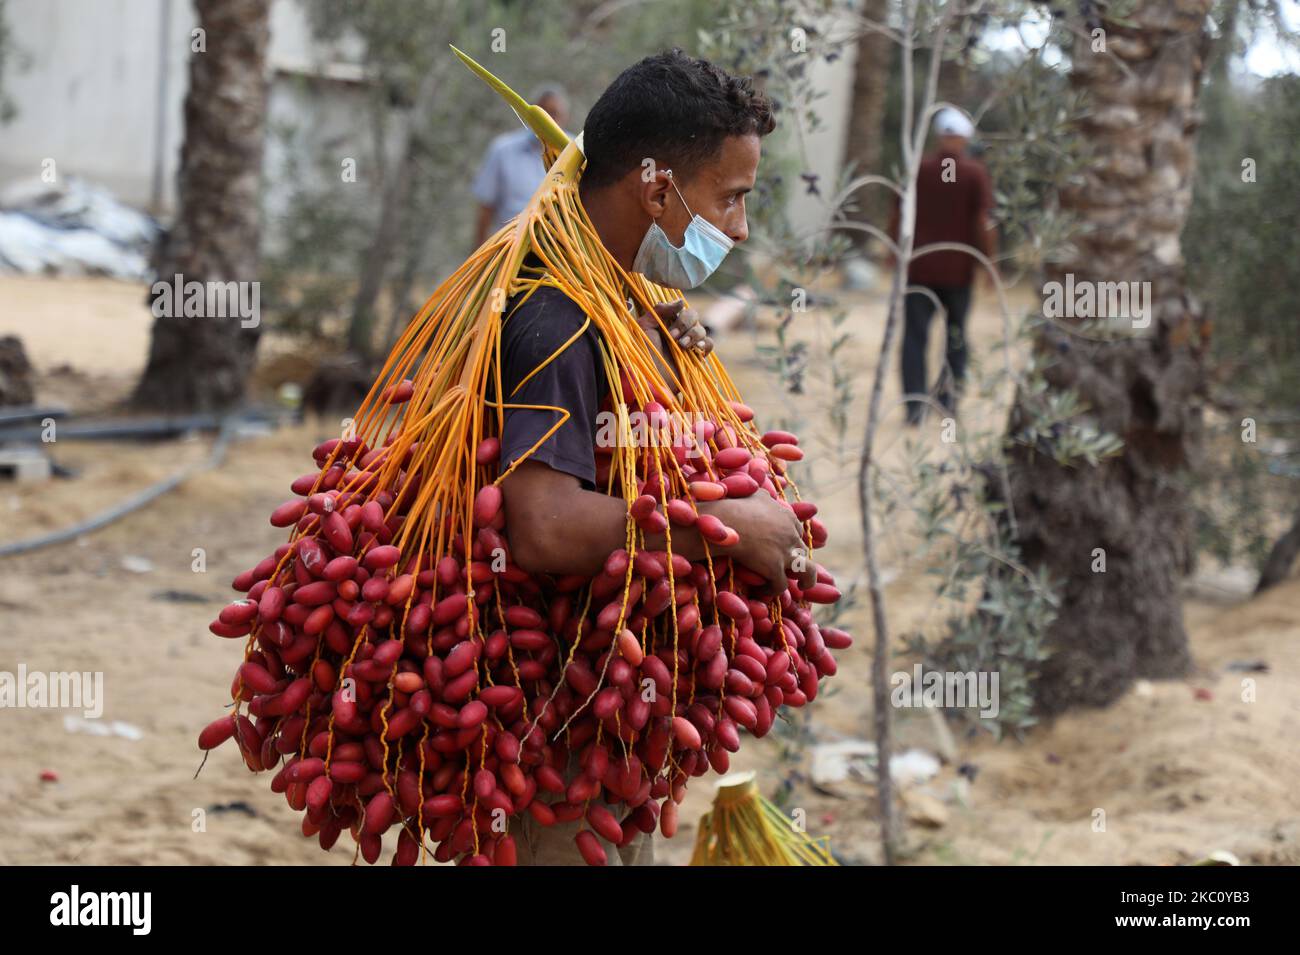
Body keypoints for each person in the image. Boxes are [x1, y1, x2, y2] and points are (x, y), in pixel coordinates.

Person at [496, 49, 815, 865]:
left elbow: (630, 465)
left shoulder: (628, 300)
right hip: (554, 739)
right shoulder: (553, 318)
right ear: (655, 188)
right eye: (732, 199)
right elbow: (539, 524)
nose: (740, 228)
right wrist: (725, 529)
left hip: (609, 726)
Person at [888, 107, 997, 426]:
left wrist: (893, 251)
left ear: (939, 136)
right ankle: (948, 402)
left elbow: (897, 211)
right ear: (964, 138)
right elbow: (984, 221)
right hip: (958, 273)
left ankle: (914, 408)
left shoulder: (918, 169)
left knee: (914, 337)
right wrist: (988, 262)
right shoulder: (975, 173)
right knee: (956, 336)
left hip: (919, 270)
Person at [471, 85, 571, 247]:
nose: (549, 120)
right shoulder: (503, 150)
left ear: (565, 117)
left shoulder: (576, 154)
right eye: (543, 113)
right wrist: (478, 253)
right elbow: (485, 207)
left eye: (554, 113)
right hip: (508, 250)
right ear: (529, 116)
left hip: (559, 254)